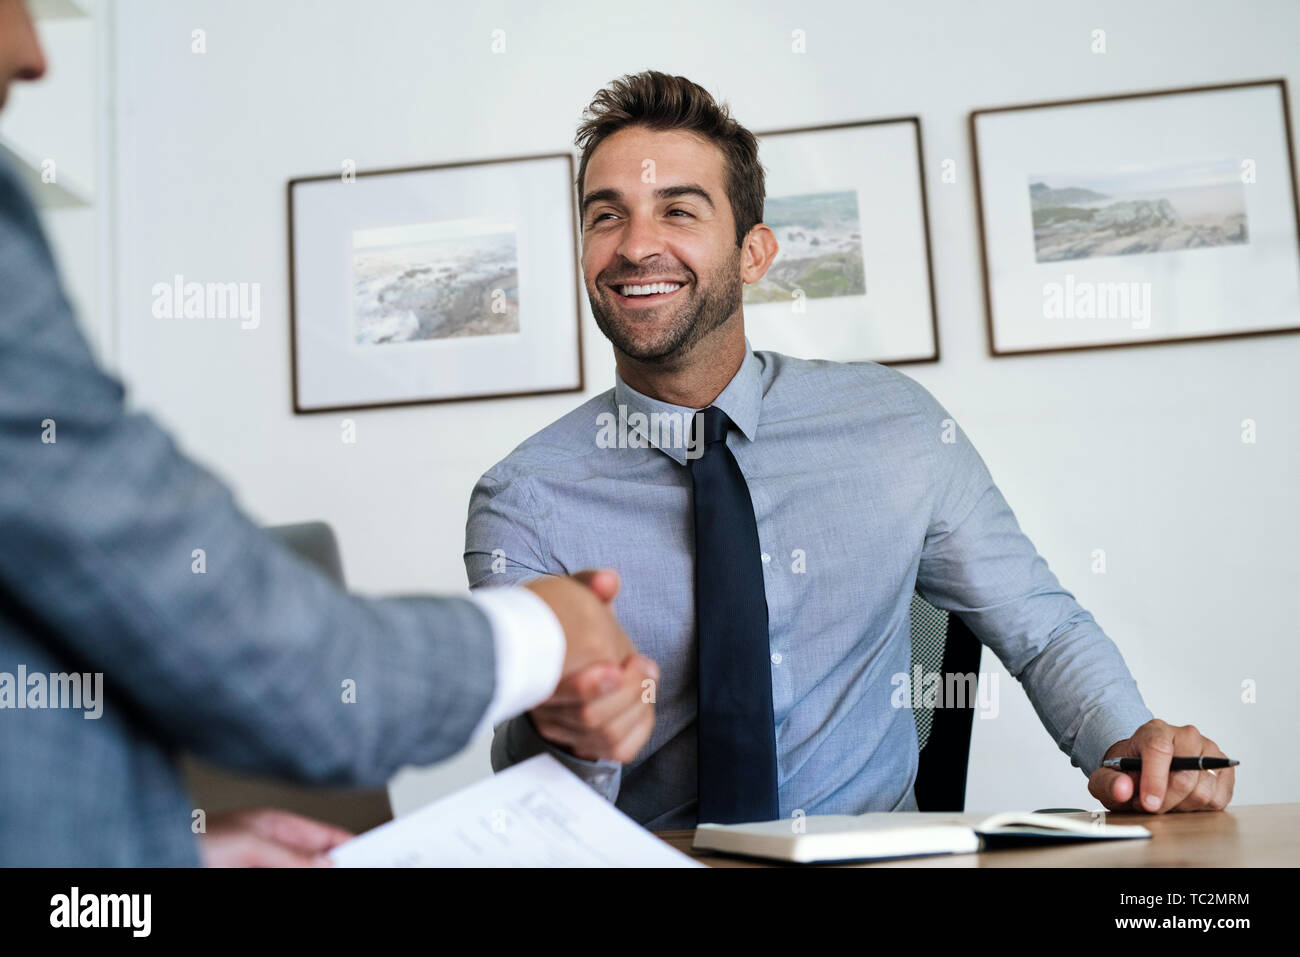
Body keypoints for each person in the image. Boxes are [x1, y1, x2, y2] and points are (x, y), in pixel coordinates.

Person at [466, 70, 1235, 828]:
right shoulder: (525, 497)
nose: (636, 246)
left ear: (753, 253)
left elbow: (1042, 628)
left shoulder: (895, 426)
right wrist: (568, 727)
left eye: (678, 210)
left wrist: (1135, 747)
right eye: (606, 215)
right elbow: (534, 786)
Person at [0, 0, 652, 866]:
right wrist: (551, 628)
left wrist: (175, 852)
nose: (36, 54)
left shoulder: (860, 428)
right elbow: (291, 672)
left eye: (679, 211)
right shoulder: (525, 491)